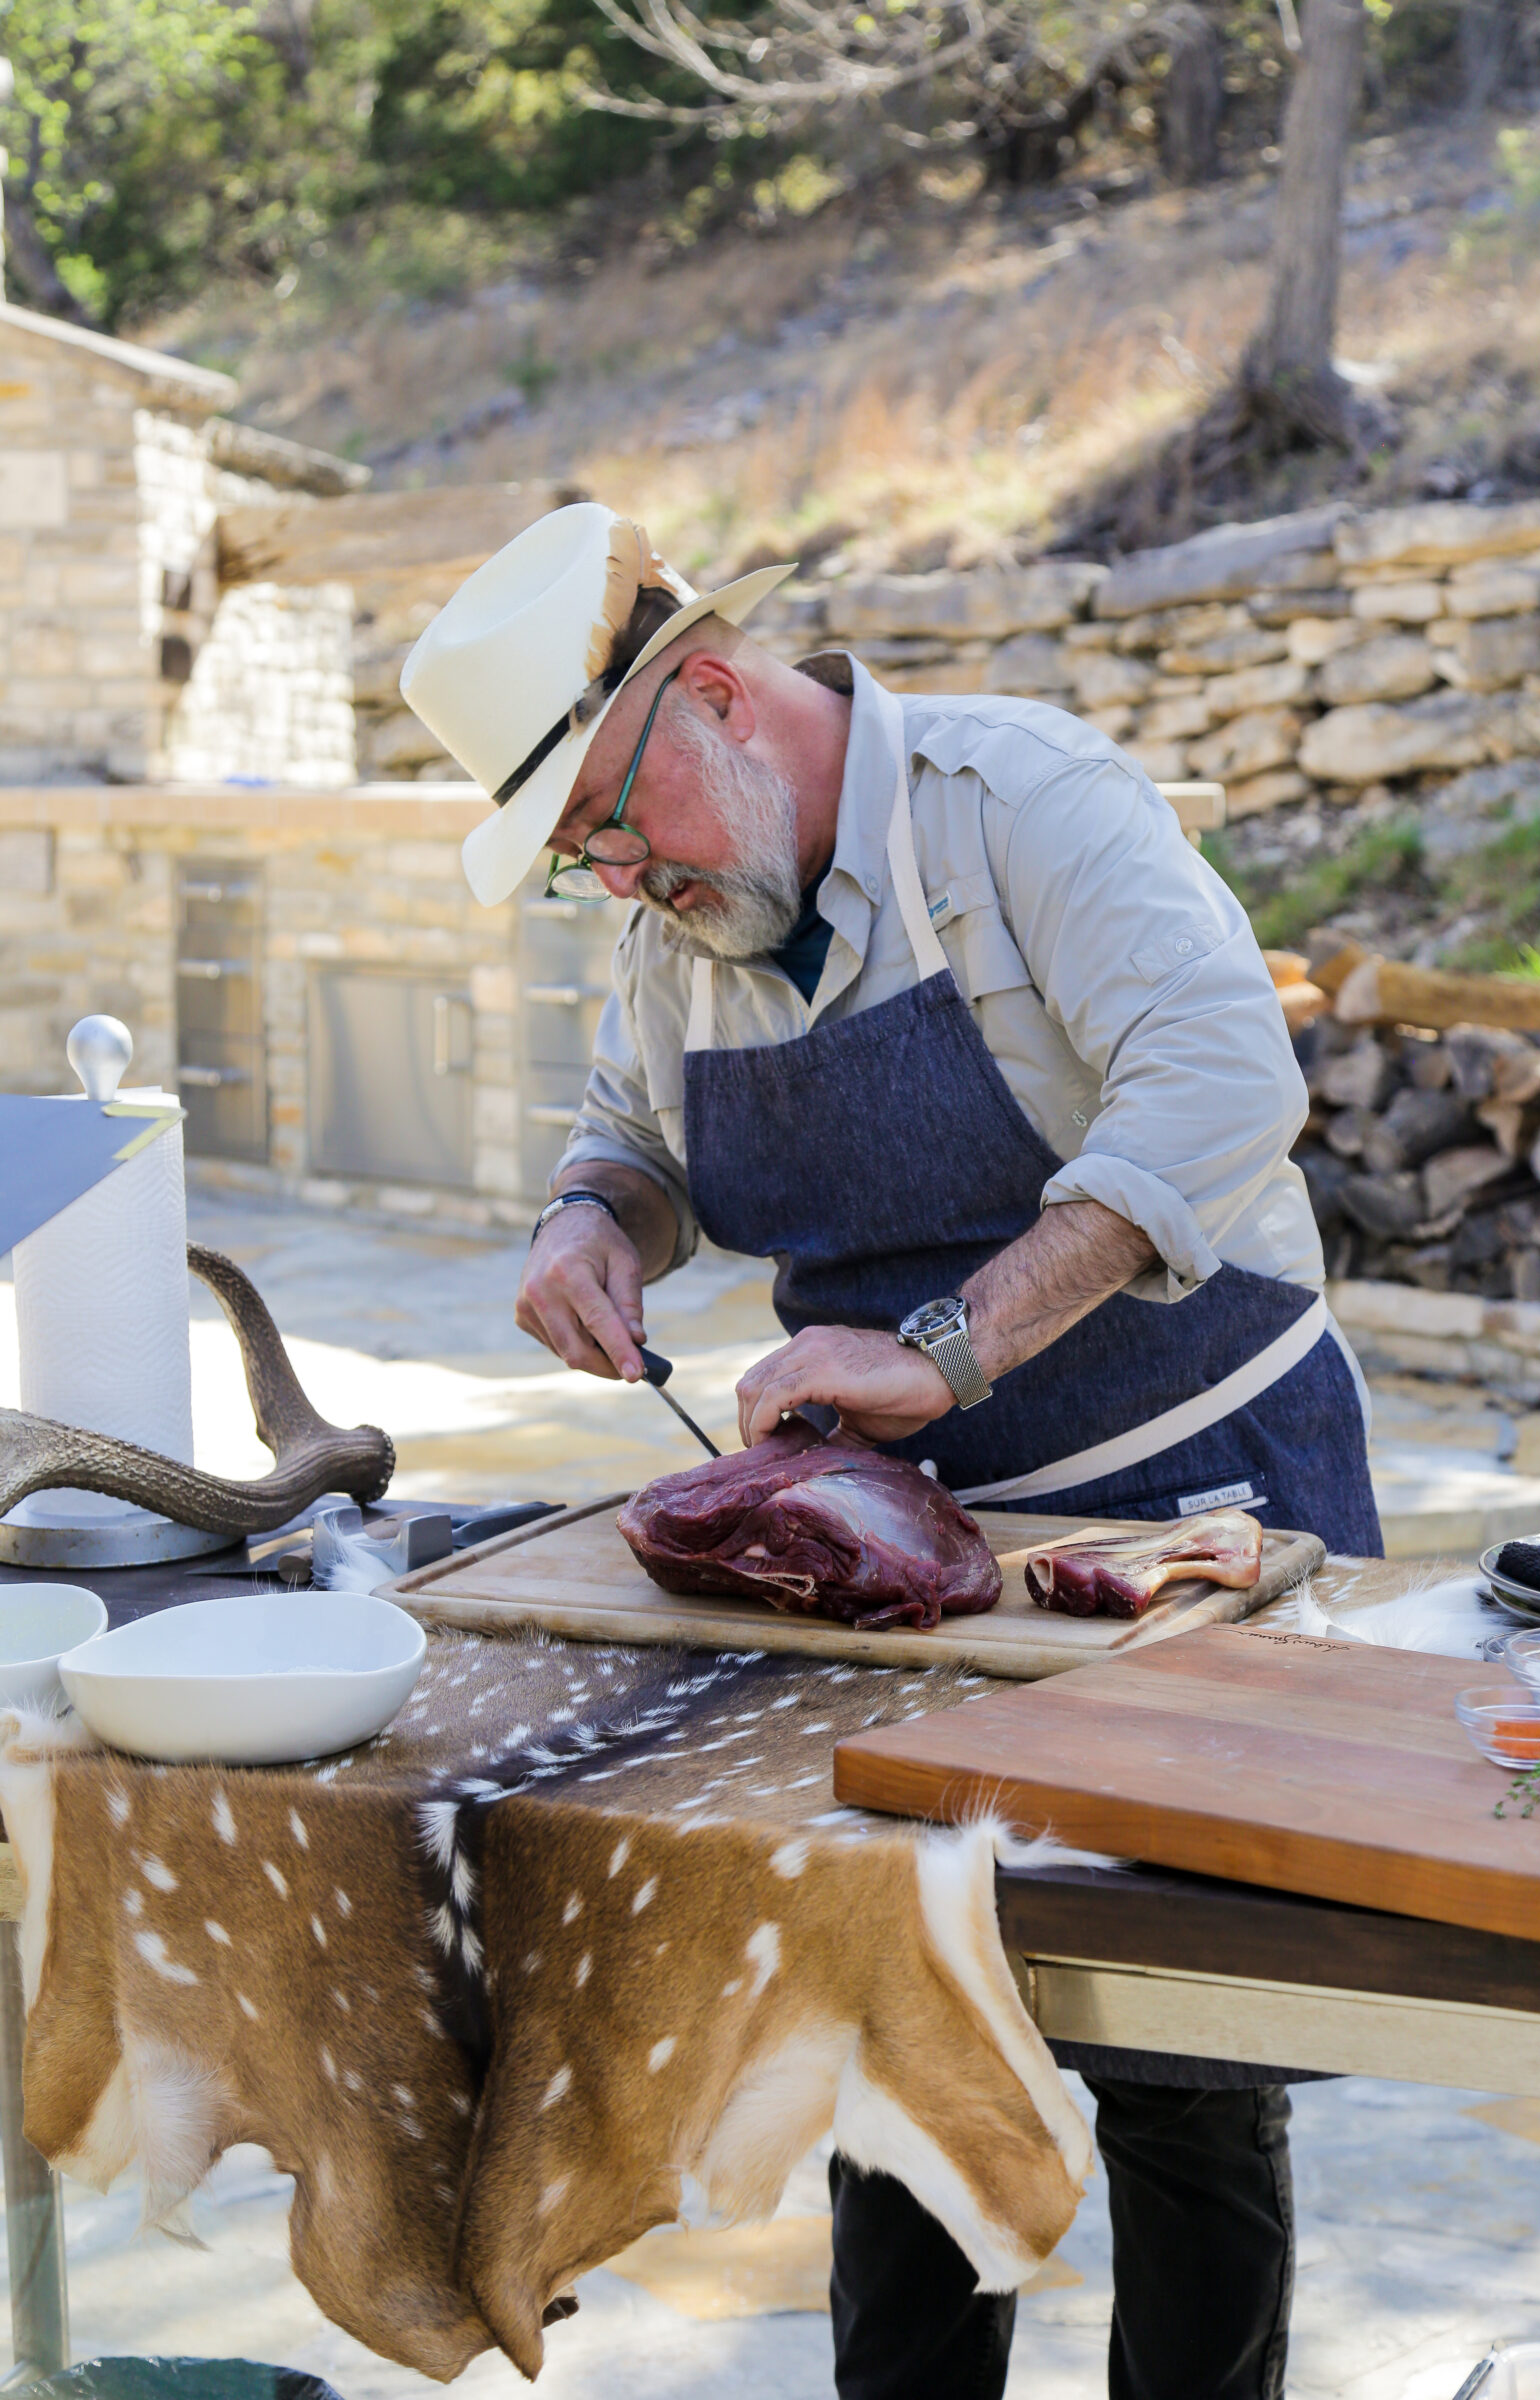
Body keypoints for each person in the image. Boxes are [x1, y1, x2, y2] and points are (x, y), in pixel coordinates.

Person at [402, 500, 1382, 2400]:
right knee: (892, 2024)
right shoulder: (694, 917)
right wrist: (587, 1220)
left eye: (614, 825)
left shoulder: (1023, 802)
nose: (616, 880)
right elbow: (634, 1129)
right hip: (896, 1544)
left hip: (1193, 1503)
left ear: (710, 705)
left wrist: (954, 1344)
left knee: (1181, 2062)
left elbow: (1224, 1078)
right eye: (577, 862)